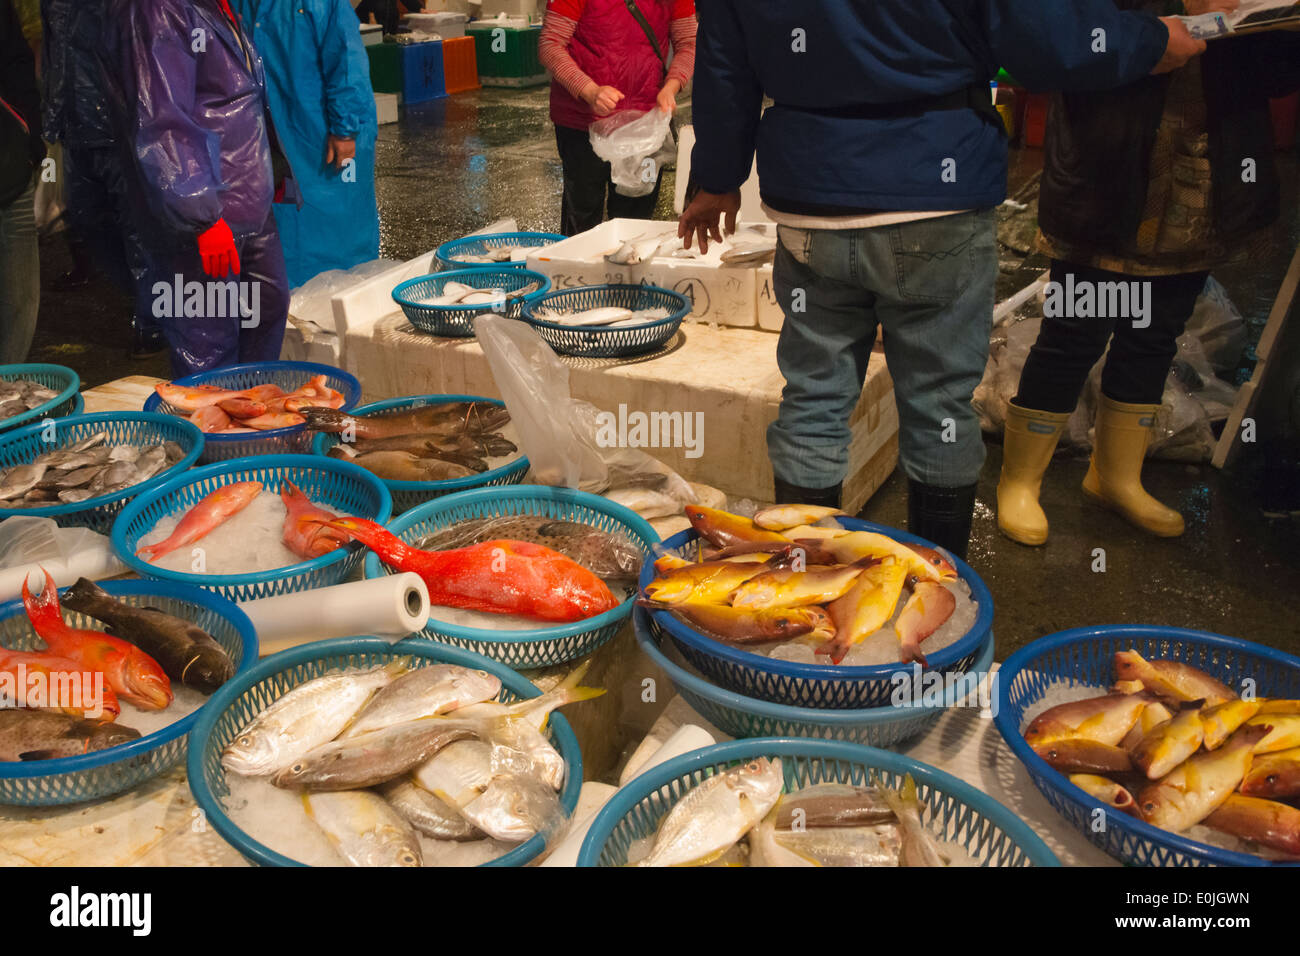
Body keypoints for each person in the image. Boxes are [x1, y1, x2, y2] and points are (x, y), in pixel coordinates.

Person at [678, 0, 1207, 559]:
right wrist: (1148, 41)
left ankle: (806, 594)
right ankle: (940, 593)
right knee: (940, 410)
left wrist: (717, 177)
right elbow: (1039, 35)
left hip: (813, 205)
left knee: (813, 401)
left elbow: (723, 65)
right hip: (936, 195)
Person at [997, 1, 1300, 545]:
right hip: (1106, 179)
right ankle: (1020, 483)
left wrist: (1257, 19)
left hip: (1204, 181)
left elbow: (1278, 77)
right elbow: (1054, 48)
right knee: (1072, 333)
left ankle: (1115, 477)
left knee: (1156, 335)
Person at [102, 0, 295, 376]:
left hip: (247, 206)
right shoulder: (158, 10)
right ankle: (211, 432)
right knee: (208, 343)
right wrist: (200, 216)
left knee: (267, 308)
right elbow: (162, 122)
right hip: (206, 215)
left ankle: (250, 420)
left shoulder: (214, 6)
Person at [41, 0, 167, 356]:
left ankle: (152, 322)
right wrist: (50, 114)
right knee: (85, 217)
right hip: (74, 123)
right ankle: (146, 298)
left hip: (121, 124)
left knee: (137, 227)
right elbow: (55, 50)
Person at [231, 0, 380, 289]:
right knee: (288, 219)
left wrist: (345, 129)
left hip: (324, 131)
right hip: (280, 131)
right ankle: (295, 299)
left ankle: (347, 298)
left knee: (339, 223)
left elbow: (346, 59)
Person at [539, 0, 696, 237]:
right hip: (583, 122)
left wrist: (671, 87)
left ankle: (627, 274)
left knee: (637, 219)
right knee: (582, 214)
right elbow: (550, 45)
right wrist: (589, 91)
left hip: (646, 125)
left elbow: (690, 44)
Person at [0, 0, 41, 364]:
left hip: (10, 166)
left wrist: (30, 138)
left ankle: (7, 406)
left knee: (20, 299)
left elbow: (16, 60)